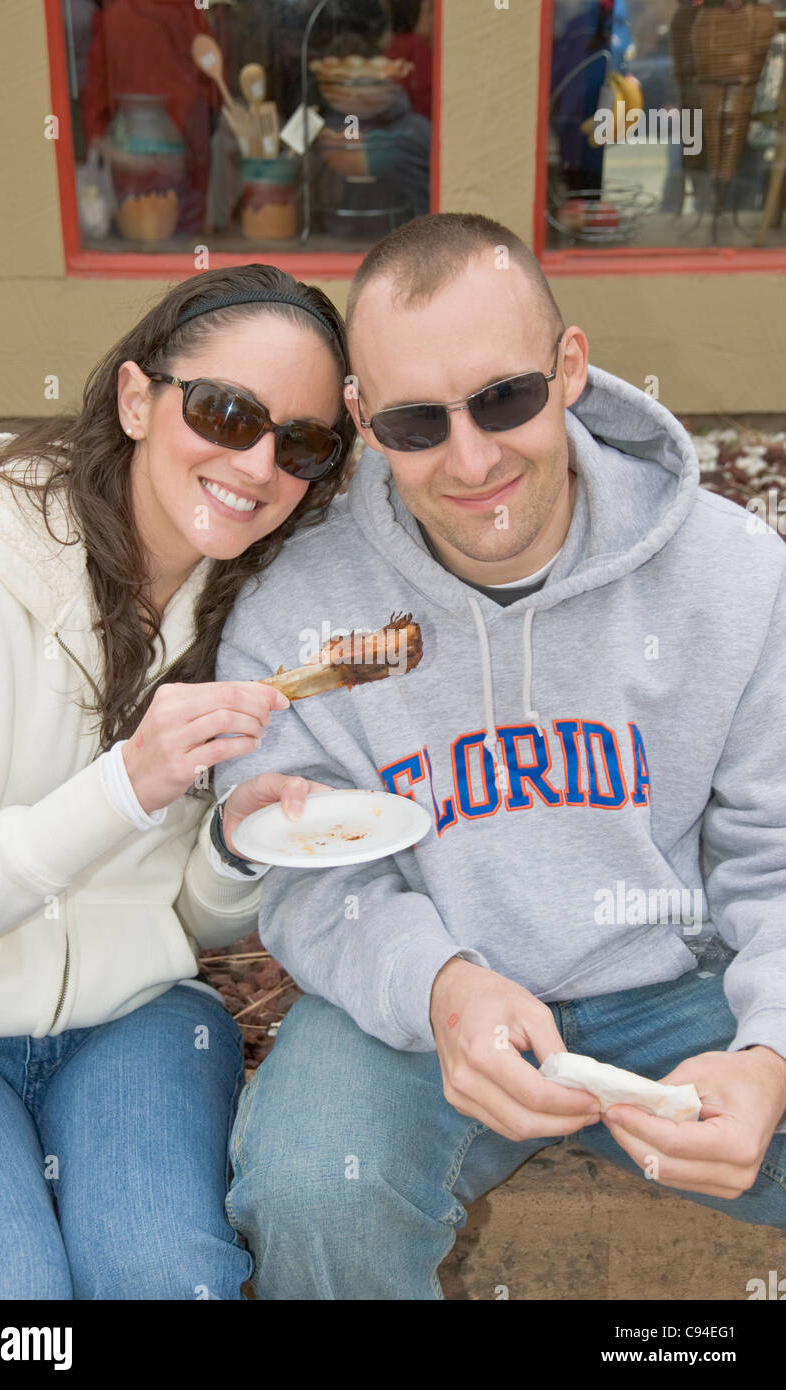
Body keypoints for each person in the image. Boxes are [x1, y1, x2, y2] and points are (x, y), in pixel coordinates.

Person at [212, 213, 786, 1300]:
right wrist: (440, 987)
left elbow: (776, 856)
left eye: (506, 399)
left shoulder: (738, 579)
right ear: (362, 420)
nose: (471, 461)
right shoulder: (299, 615)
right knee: (311, 1190)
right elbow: (306, 872)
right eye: (418, 423)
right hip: (421, 1004)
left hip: (682, 991)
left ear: (569, 368)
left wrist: (769, 1056)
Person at [0, 262, 355, 1300]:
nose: (256, 464)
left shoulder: (253, 609)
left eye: (299, 443)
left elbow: (189, 922)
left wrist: (232, 844)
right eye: (225, 412)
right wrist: (126, 783)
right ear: (135, 398)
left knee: (163, 1279)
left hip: (136, 1020)